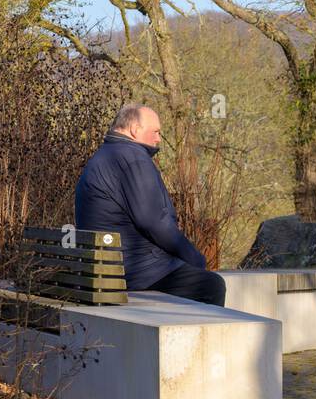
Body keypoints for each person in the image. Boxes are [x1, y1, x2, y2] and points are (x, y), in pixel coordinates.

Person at [74, 104, 226, 306]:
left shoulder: (104, 155)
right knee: (211, 285)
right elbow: (153, 222)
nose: (158, 139)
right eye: (155, 132)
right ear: (135, 130)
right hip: (133, 270)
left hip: (107, 266)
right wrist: (194, 257)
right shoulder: (133, 158)